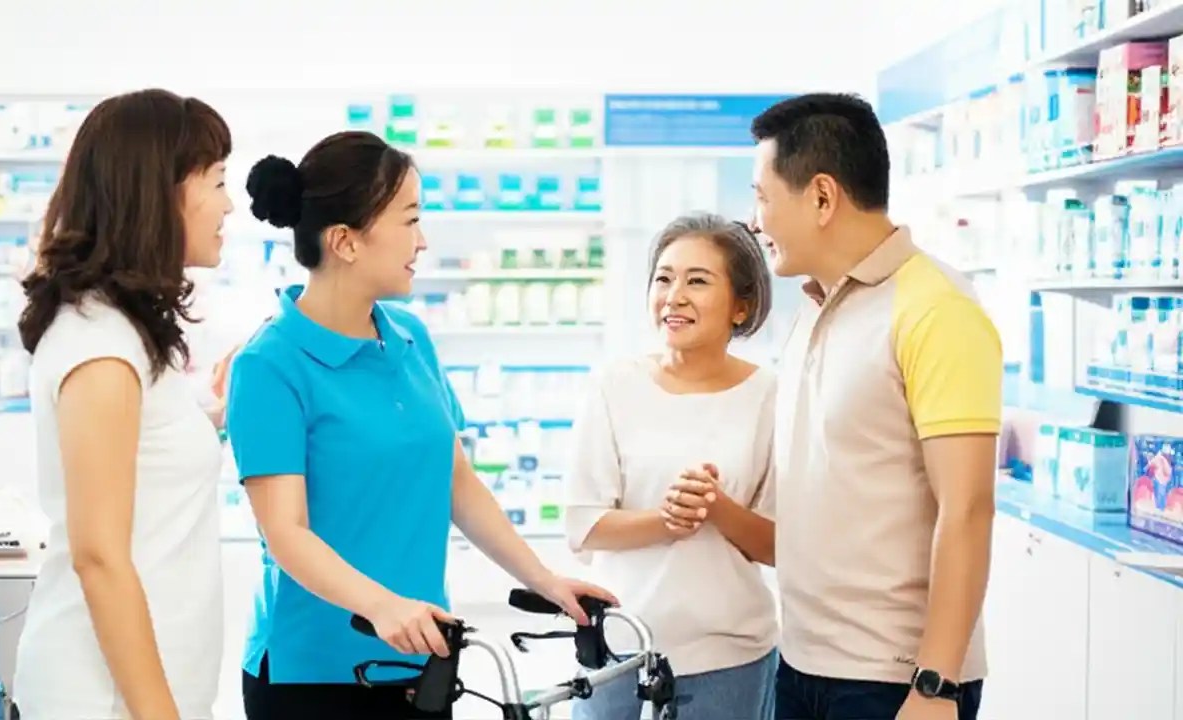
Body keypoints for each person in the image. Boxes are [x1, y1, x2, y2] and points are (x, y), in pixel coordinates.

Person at [226, 130, 616, 720]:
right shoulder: (269, 365)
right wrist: (384, 607)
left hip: (422, 655)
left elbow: (456, 482)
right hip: (315, 675)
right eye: (409, 220)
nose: (423, 240)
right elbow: (287, 534)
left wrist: (544, 580)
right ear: (345, 242)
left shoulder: (411, 337)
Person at [685, 92, 999, 720]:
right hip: (803, 663)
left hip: (893, 680)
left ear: (822, 197)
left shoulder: (936, 310)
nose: (754, 219)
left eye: (764, 197)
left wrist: (934, 686)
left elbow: (966, 508)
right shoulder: (814, 309)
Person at [12, 89, 234, 720]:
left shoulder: (125, 332)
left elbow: (144, 455)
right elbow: (99, 556)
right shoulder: (102, 346)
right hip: (105, 700)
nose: (230, 203)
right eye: (217, 181)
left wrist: (211, 411)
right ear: (158, 191)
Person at [565, 212, 780, 720]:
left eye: (698, 281)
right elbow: (583, 525)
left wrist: (716, 508)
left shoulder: (769, 395)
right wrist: (666, 522)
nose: (674, 295)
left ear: (741, 306)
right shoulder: (615, 385)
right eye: (664, 278)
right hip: (618, 647)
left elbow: (779, 546)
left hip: (729, 655)